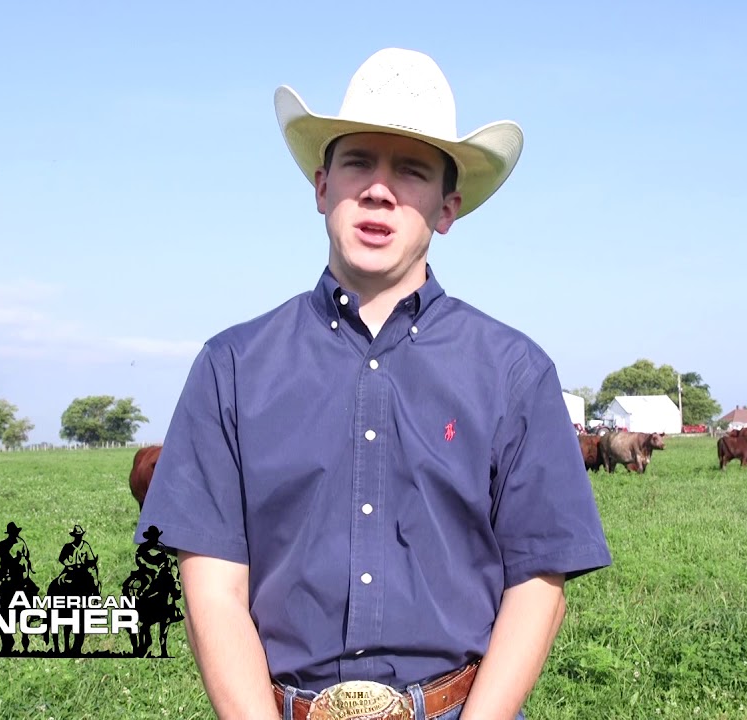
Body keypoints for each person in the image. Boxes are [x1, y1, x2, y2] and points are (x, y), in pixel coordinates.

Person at [135, 47, 612, 720]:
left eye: (411, 170)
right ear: (321, 188)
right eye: (358, 162)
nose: (379, 190)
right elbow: (212, 589)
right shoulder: (231, 368)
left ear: (447, 208)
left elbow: (539, 584)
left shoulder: (514, 372)